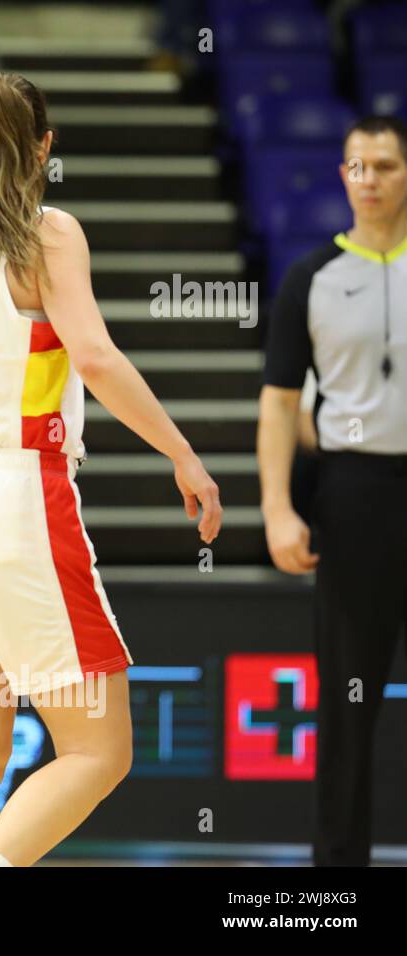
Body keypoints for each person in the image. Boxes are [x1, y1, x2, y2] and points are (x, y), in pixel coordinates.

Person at [0, 72, 222, 867]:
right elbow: (94, 355)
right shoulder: (51, 233)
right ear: (47, 147)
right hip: (11, 497)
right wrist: (182, 452)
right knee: (99, 752)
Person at [259, 115, 407, 867]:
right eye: (358, 166)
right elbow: (279, 403)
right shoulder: (311, 276)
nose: (371, 180)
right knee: (348, 697)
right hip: (355, 494)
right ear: (343, 176)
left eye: (385, 165)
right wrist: (279, 507)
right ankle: (338, 878)